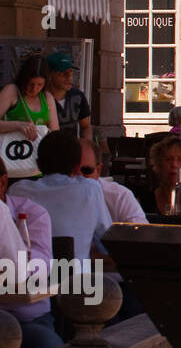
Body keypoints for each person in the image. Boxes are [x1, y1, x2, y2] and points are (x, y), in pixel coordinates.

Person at [0, 155, 63, 348]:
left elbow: (41, 263)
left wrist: (18, 266)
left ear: (2, 183)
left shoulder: (30, 213)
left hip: (26, 316)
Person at [9, 130, 110, 264]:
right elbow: (107, 244)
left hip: (30, 279)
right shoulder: (90, 189)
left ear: (38, 164)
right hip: (77, 282)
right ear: (77, 167)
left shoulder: (17, 190)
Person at [84, 140, 147, 225]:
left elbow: (140, 233)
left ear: (98, 170)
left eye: (86, 171)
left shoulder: (119, 196)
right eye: (71, 172)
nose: (79, 177)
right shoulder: (61, 195)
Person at [0, 55, 59, 143]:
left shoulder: (47, 97)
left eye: (40, 85)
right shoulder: (12, 91)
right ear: (24, 79)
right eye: (31, 83)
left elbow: (55, 134)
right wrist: (17, 125)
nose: (34, 89)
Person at [44, 52, 91, 141]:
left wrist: (86, 145)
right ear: (49, 74)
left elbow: (86, 126)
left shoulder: (78, 96)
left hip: (72, 150)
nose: (69, 77)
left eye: (71, 72)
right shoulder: (40, 99)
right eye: (63, 73)